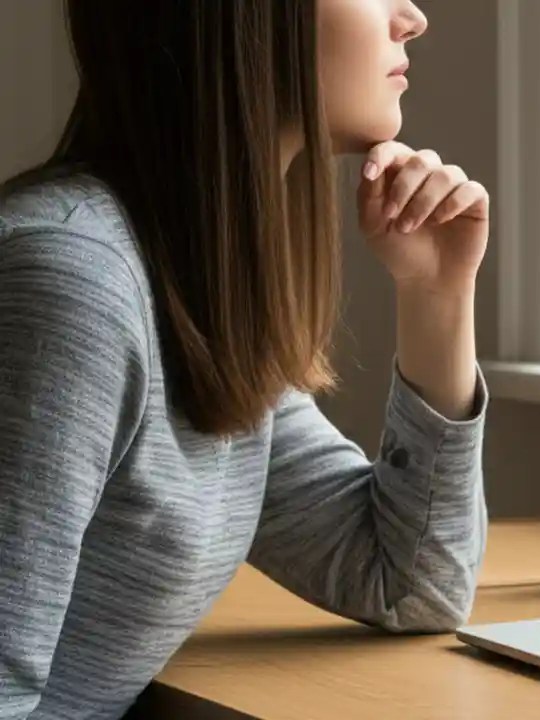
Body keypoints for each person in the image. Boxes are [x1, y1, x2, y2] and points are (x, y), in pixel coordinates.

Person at [0, 1, 489, 717]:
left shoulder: (195, 288)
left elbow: (409, 582)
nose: (411, 16)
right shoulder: (73, 286)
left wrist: (437, 296)